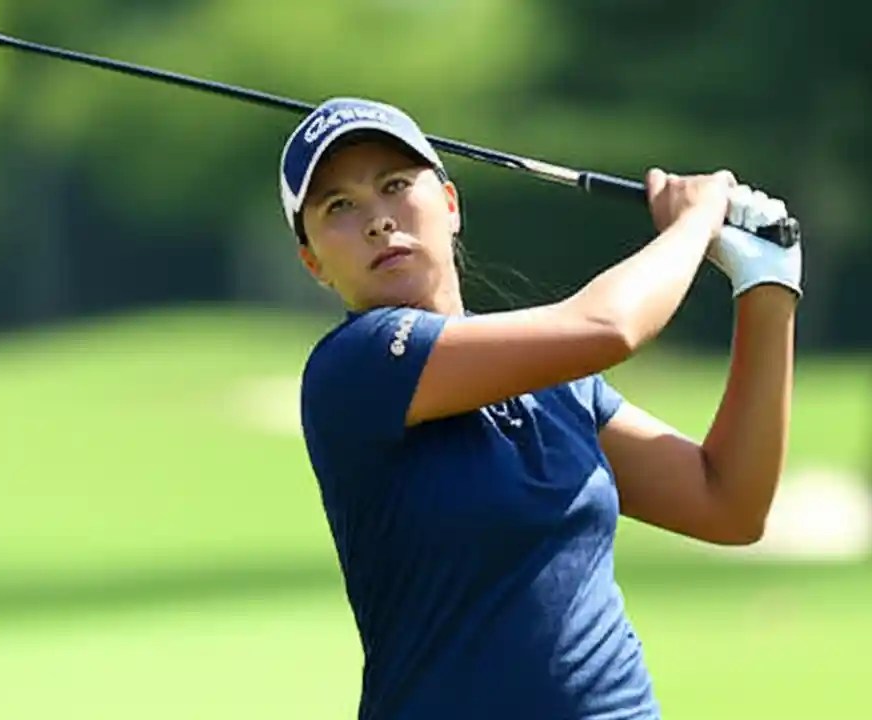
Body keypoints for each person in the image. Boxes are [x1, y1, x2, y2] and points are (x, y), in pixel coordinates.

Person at [280, 97, 802, 719]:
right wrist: (695, 222)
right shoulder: (354, 367)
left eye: (395, 185)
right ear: (312, 261)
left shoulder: (558, 384)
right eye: (339, 206)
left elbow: (728, 503)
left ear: (451, 206)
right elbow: (610, 327)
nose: (377, 220)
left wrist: (767, 286)